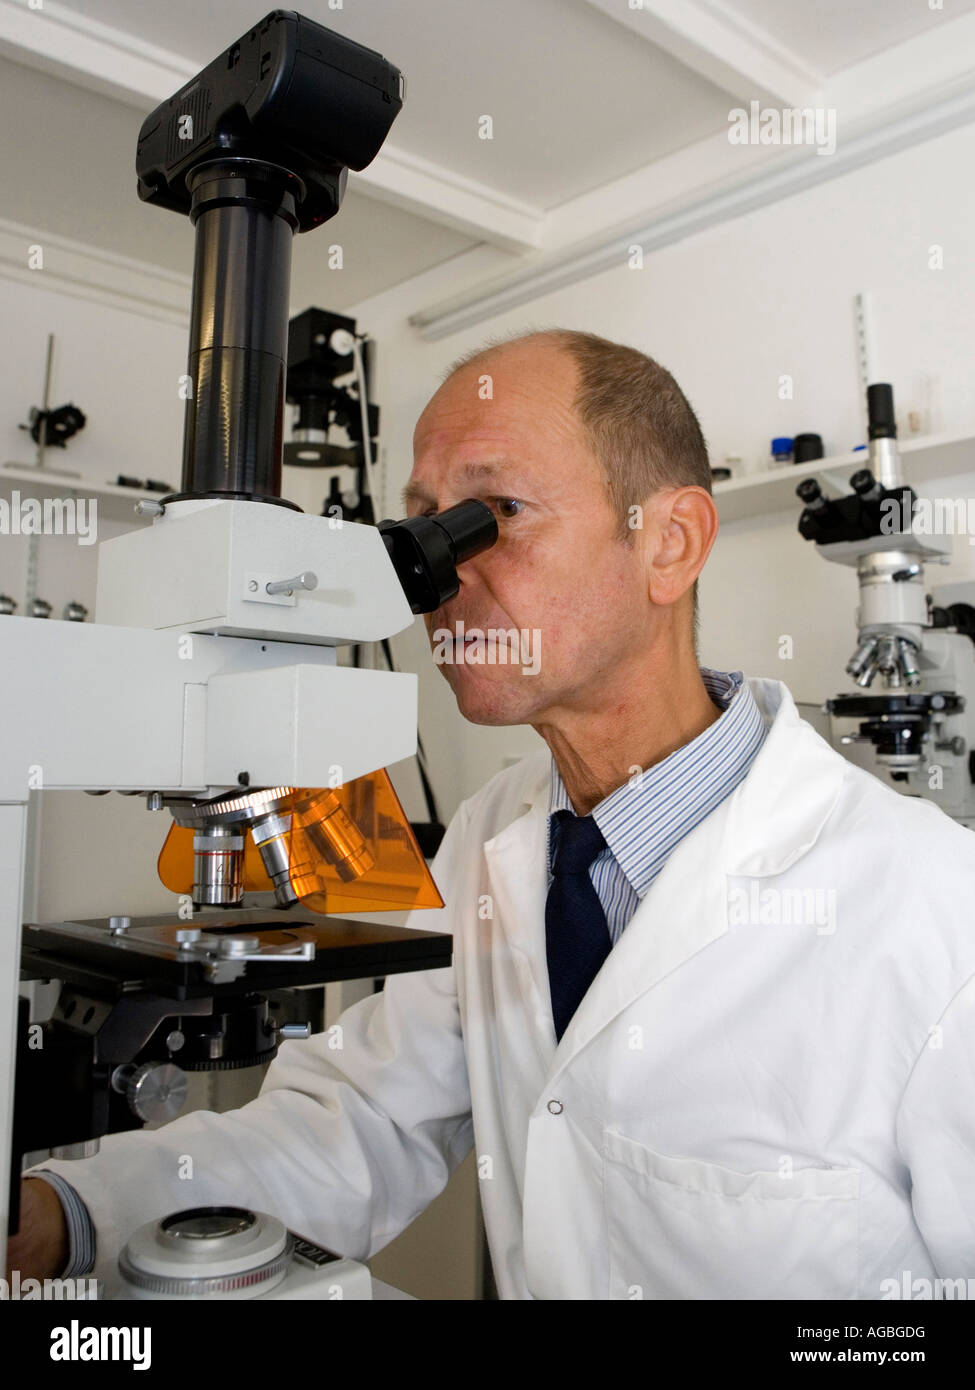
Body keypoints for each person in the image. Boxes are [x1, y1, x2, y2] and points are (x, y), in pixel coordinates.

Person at [8, 330, 975, 1299]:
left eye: (495, 512)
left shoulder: (936, 912)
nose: (438, 575)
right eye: (424, 523)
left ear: (669, 544)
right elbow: (360, 1121)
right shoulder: (488, 838)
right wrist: (66, 1212)